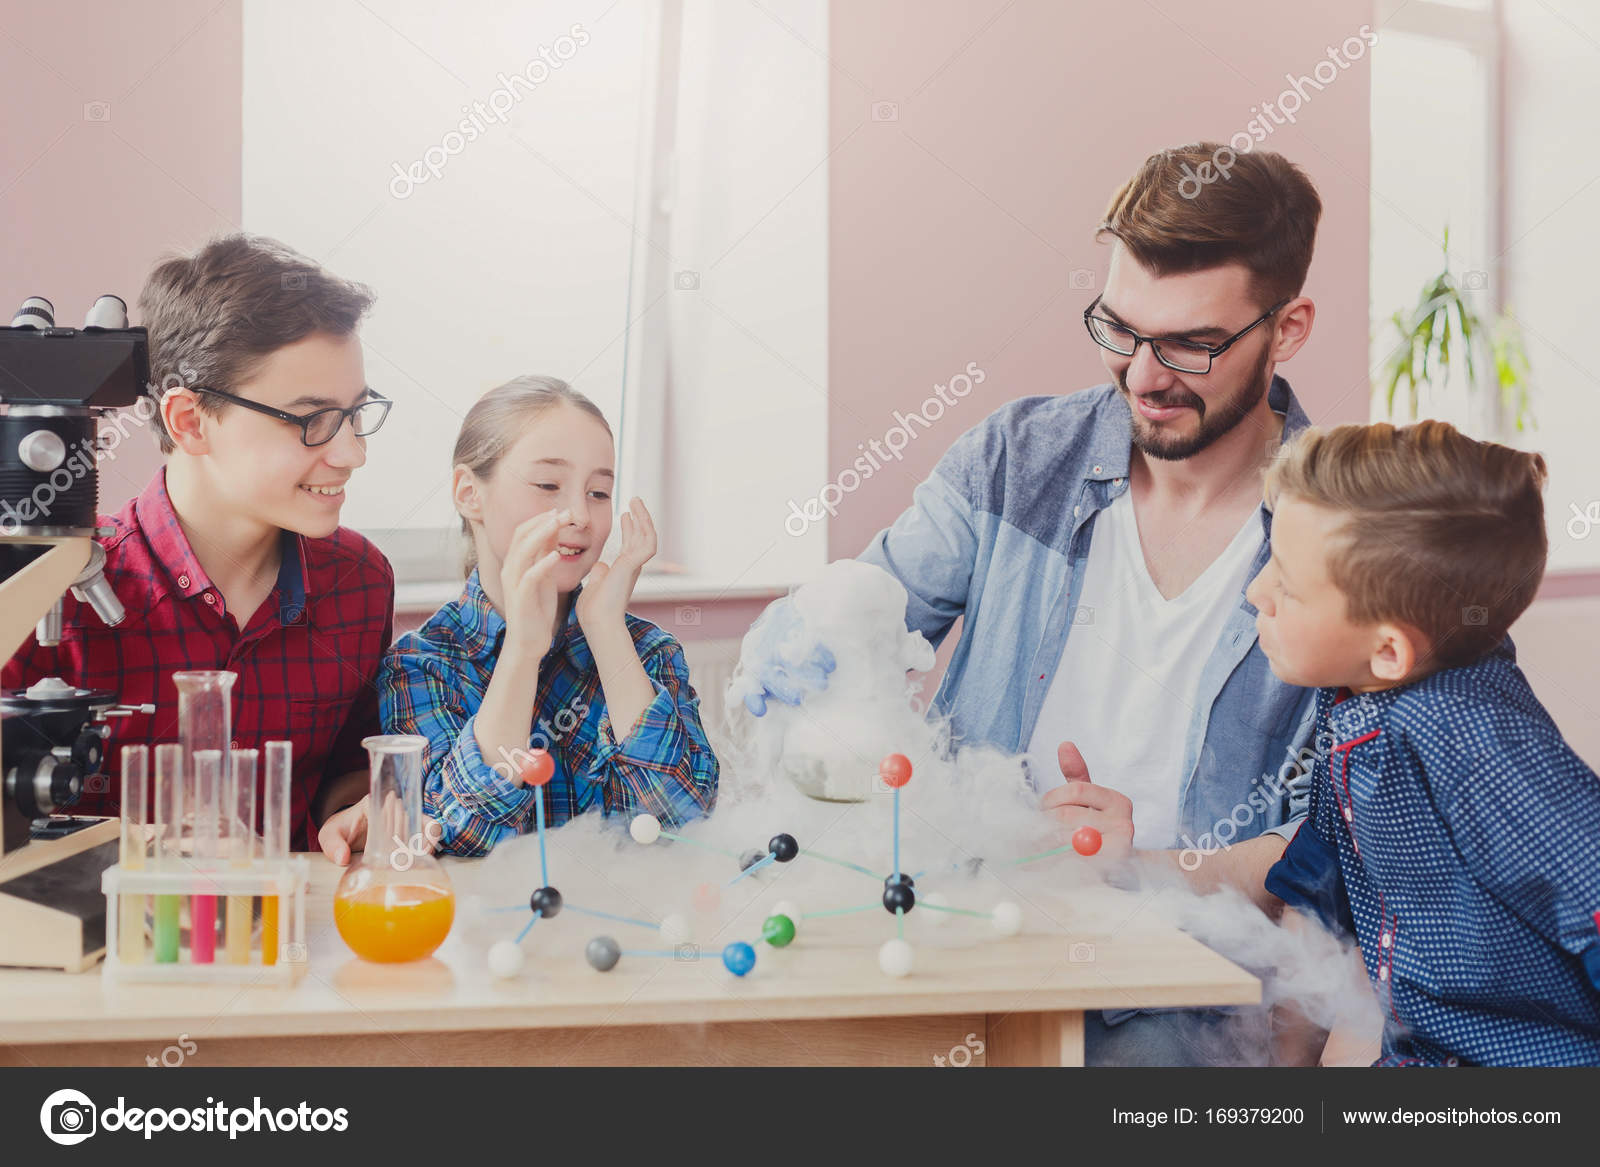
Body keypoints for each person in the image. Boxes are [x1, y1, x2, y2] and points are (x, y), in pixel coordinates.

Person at [740, 143, 1327, 1064]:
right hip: (966, 950)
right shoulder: (1016, 460)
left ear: (1286, 329)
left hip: (1180, 1008)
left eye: (1190, 344)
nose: (1142, 376)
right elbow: (864, 614)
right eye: (1119, 329)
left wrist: (1138, 868)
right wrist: (803, 649)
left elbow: (1334, 842)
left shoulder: (1340, 534)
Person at [3, 234, 394, 855]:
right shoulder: (45, 591)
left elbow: (343, 772)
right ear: (189, 421)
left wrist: (357, 811)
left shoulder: (359, 581)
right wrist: (137, 850)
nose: (353, 453)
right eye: (312, 420)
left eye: (356, 414)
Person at [1255, 421, 1600, 1066]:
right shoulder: (1355, 698)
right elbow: (1321, 870)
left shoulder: (1475, 739)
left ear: (1389, 650)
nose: (1256, 594)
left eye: (1287, 587)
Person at [376, 375, 718, 856]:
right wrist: (521, 651)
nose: (580, 514)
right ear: (469, 492)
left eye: (599, 493)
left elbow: (682, 822)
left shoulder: (647, 652)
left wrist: (607, 633)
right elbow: (461, 836)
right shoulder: (420, 666)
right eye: (548, 485)